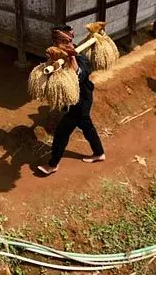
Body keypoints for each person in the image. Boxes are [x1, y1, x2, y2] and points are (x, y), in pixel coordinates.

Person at [37, 26, 105, 175]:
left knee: (62, 132)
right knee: (86, 125)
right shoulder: (56, 55)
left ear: (68, 40)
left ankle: (52, 165)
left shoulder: (80, 56)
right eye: (55, 40)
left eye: (61, 41)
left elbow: (79, 77)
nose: (57, 43)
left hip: (81, 100)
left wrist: (72, 57)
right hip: (72, 101)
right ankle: (99, 153)